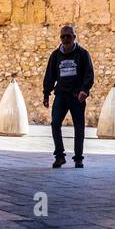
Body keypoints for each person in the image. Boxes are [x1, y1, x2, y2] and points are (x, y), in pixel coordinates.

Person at [43, 24, 94, 168]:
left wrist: (84, 90)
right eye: (63, 36)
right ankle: (59, 156)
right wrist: (46, 93)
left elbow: (89, 74)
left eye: (68, 36)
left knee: (79, 127)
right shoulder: (55, 55)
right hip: (61, 96)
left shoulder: (83, 54)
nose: (66, 39)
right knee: (55, 124)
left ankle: (78, 158)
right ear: (60, 38)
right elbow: (50, 75)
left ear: (74, 37)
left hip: (76, 96)